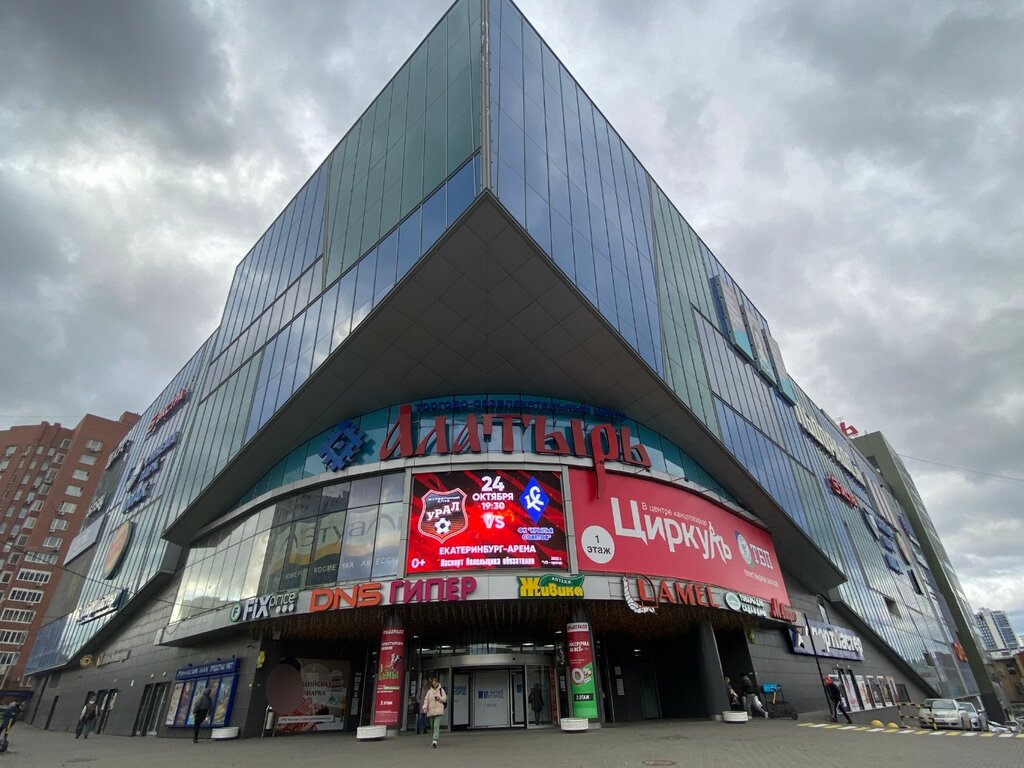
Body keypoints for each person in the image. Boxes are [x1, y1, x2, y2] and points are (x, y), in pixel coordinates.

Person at [421, 677, 447, 748]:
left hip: (439, 711)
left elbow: (445, 698)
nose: (435, 683)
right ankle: (434, 738)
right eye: (433, 681)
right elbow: (426, 700)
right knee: (432, 726)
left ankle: (435, 741)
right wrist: (425, 707)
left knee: (436, 726)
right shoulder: (429, 692)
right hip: (431, 711)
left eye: (436, 681)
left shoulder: (441, 690)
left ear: (438, 682)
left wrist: (439, 698)